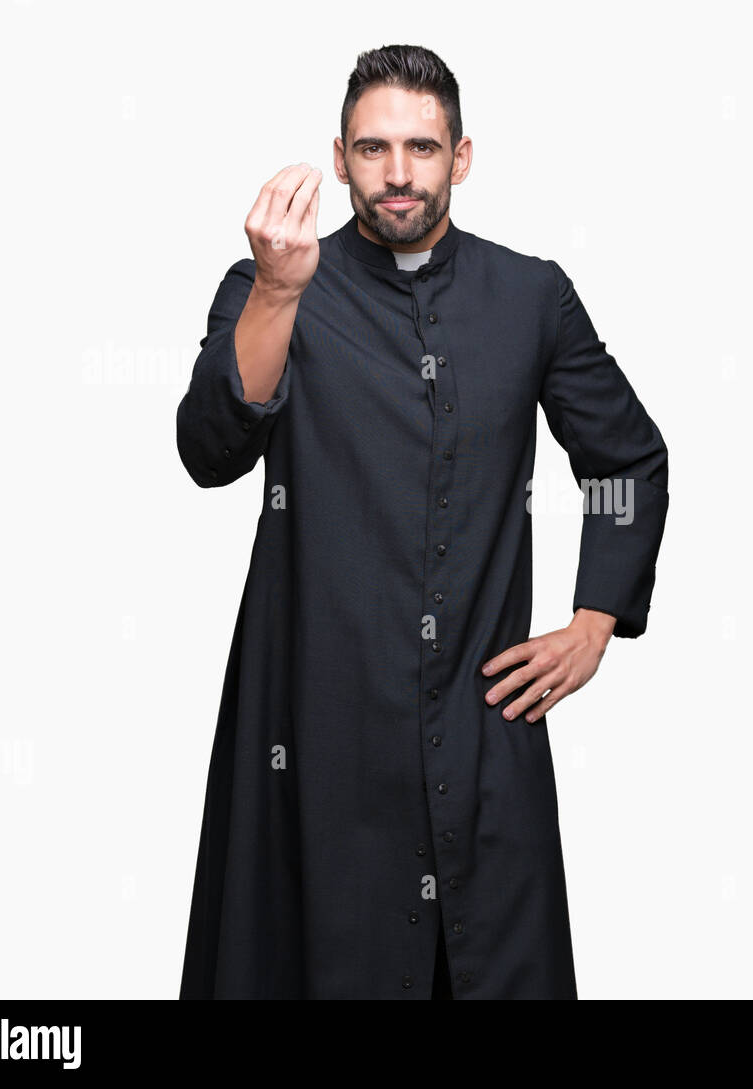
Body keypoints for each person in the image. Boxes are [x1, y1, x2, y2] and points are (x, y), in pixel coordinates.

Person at [176, 43, 669, 1000]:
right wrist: (279, 290)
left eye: (421, 148)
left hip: (481, 734)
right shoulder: (269, 287)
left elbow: (624, 462)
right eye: (372, 149)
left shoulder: (532, 296)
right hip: (314, 729)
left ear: (463, 156)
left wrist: (595, 617)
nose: (398, 173)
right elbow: (209, 449)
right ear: (339, 154)